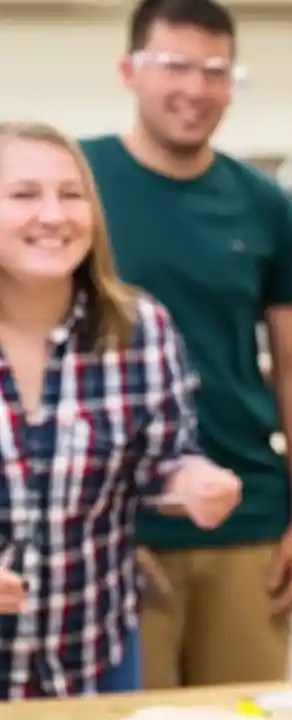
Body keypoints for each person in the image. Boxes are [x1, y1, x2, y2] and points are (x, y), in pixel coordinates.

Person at [79, 0, 292, 689]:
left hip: (248, 521)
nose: (196, 88)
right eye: (175, 66)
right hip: (115, 534)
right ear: (129, 71)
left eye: (216, 71)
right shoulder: (78, 188)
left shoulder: (265, 204)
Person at [0, 121, 242, 698]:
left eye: (72, 194)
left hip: (93, 661)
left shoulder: (140, 329)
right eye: (24, 195)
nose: (53, 215)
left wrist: (193, 481)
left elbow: (158, 462)